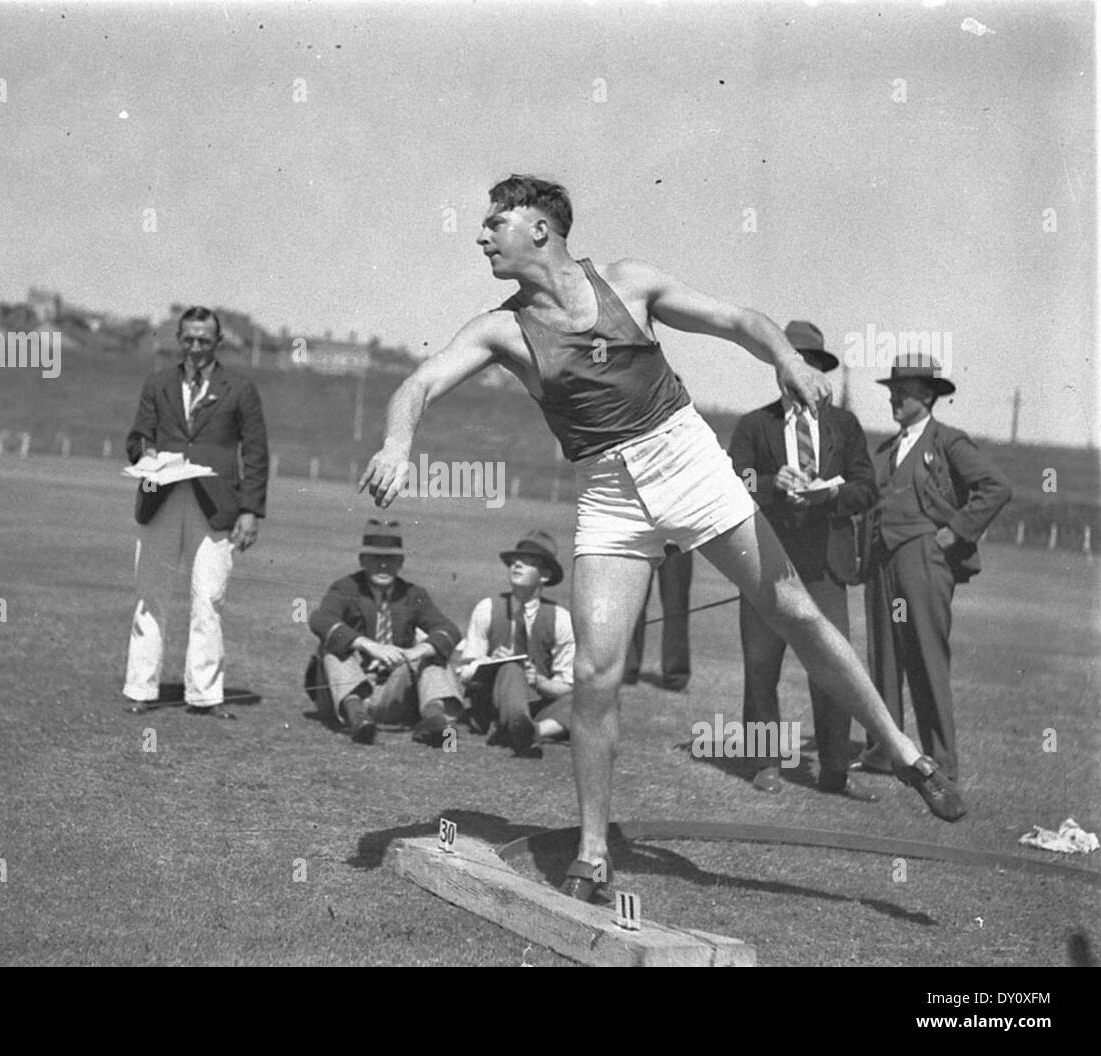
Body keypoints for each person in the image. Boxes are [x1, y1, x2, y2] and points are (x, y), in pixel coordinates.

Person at [360, 174, 967, 903]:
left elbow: (741, 320)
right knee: (596, 673)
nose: (481, 236)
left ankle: (903, 752)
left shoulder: (631, 284)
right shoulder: (501, 328)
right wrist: (398, 444)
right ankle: (591, 850)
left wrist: (788, 359)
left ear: (542, 230)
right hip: (610, 494)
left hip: (686, 459)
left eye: (496, 223)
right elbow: (419, 384)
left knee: (796, 611)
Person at [728, 320, 878, 801]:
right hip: (766, 567)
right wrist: (774, 483)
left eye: (809, 364)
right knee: (760, 666)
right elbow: (737, 482)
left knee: (833, 667)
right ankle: (766, 763)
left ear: (818, 372)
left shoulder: (845, 427)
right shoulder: (755, 426)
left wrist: (826, 497)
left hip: (826, 570)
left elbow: (866, 489)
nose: (795, 373)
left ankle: (835, 770)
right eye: (787, 363)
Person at [854, 355, 1012, 782]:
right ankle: (885, 751)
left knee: (925, 656)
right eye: (891, 391)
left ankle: (941, 762)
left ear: (926, 396)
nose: (893, 398)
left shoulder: (949, 441)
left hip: (923, 562)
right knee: (884, 658)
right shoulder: (887, 449)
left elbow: (996, 488)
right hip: (883, 564)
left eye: (901, 392)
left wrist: (956, 531)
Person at [122, 306, 268, 715]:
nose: (196, 347)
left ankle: (204, 695)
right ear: (179, 339)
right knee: (150, 597)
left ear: (218, 343)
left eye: (204, 340)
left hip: (215, 505)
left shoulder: (239, 389)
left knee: (209, 599)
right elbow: (137, 436)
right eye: (189, 339)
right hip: (160, 498)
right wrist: (146, 451)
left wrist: (249, 512)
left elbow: (255, 453)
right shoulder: (158, 384)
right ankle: (140, 689)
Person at [306, 519, 464, 746]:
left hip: (394, 690)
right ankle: (358, 719)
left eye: (390, 559)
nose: (383, 565)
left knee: (434, 651)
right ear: (362, 560)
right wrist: (369, 645)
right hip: (349, 689)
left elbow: (448, 629)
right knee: (333, 647)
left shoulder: (412, 594)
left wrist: (416, 652)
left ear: (401, 561)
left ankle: (434, 720)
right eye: (375, 558)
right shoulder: (346, 588)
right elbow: (320, 619)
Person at [457, 530, 575, 756]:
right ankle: (516, 726)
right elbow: (464, 673)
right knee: (511, 668)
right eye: (514, 560)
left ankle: (533, 731)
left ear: (545, 575)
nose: (517, 565)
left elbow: (566, 685)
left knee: (598, 695)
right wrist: (490, 663)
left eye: (528, 561)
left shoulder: (561, 619)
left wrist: (539, 681)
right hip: (493, 702)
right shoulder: (487, 609)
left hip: (538, 704)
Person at [623, 546, 693, 691]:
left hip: (677, 540)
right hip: (641, 538)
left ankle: (675, 675)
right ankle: (627, 667)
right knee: (633, 602)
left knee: (676, 605)